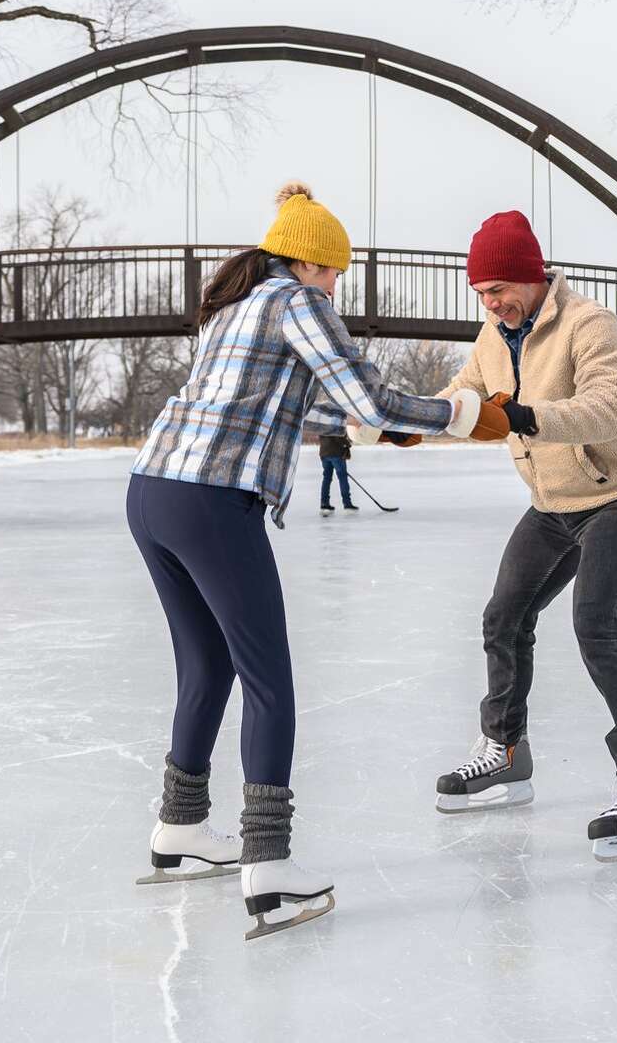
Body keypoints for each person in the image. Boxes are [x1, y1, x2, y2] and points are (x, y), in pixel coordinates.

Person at [127, 183, 512, 938]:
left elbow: (297, 401)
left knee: (206, 666)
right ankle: (269, 872)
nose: (337, 286)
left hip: (152, 492)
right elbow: (366, 398)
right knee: (270, 680)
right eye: (333, 271)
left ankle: (180, 826)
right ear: (306, 261)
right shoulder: (299, 303)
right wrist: (463, 417)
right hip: (212, 500)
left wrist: (389, 432)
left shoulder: (233, 309)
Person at [432, 210, 617, 861]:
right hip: (553, 502)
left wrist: (517, 415)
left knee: (596, 626)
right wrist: (389, 420)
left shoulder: (587, 324)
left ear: (530, 276)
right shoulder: (492, 336)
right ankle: (506, 751)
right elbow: (458, 400)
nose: (490, 306)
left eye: (498, 291)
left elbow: (609, 408)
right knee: (503, 616)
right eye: (481, 295)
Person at [318, 429, 357, 515]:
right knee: (342, 478)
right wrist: (348, 443)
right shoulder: (336, 421)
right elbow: (338, 437)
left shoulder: (322, 423)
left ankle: (324, 503)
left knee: (326, 479)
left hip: (324, 454)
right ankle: (347, 504)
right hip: (336, 454)